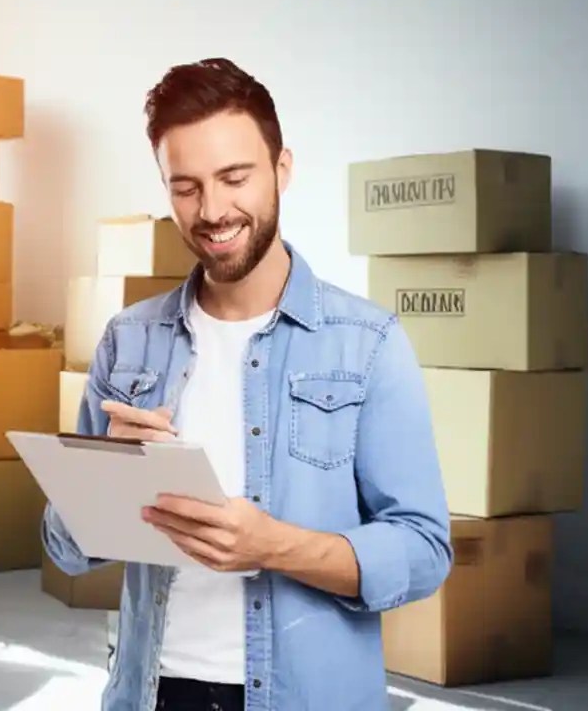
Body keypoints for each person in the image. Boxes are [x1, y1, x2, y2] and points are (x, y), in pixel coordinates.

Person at [42, 57, 452, 711]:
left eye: (235, 178)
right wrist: (104, 478)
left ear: (281, 169)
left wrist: (273, 546)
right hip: (152, 694)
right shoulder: (129, 340)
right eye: (186, 186)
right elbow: (64, 549)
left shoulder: (367, 343)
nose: (212, 211)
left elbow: (424, 551)